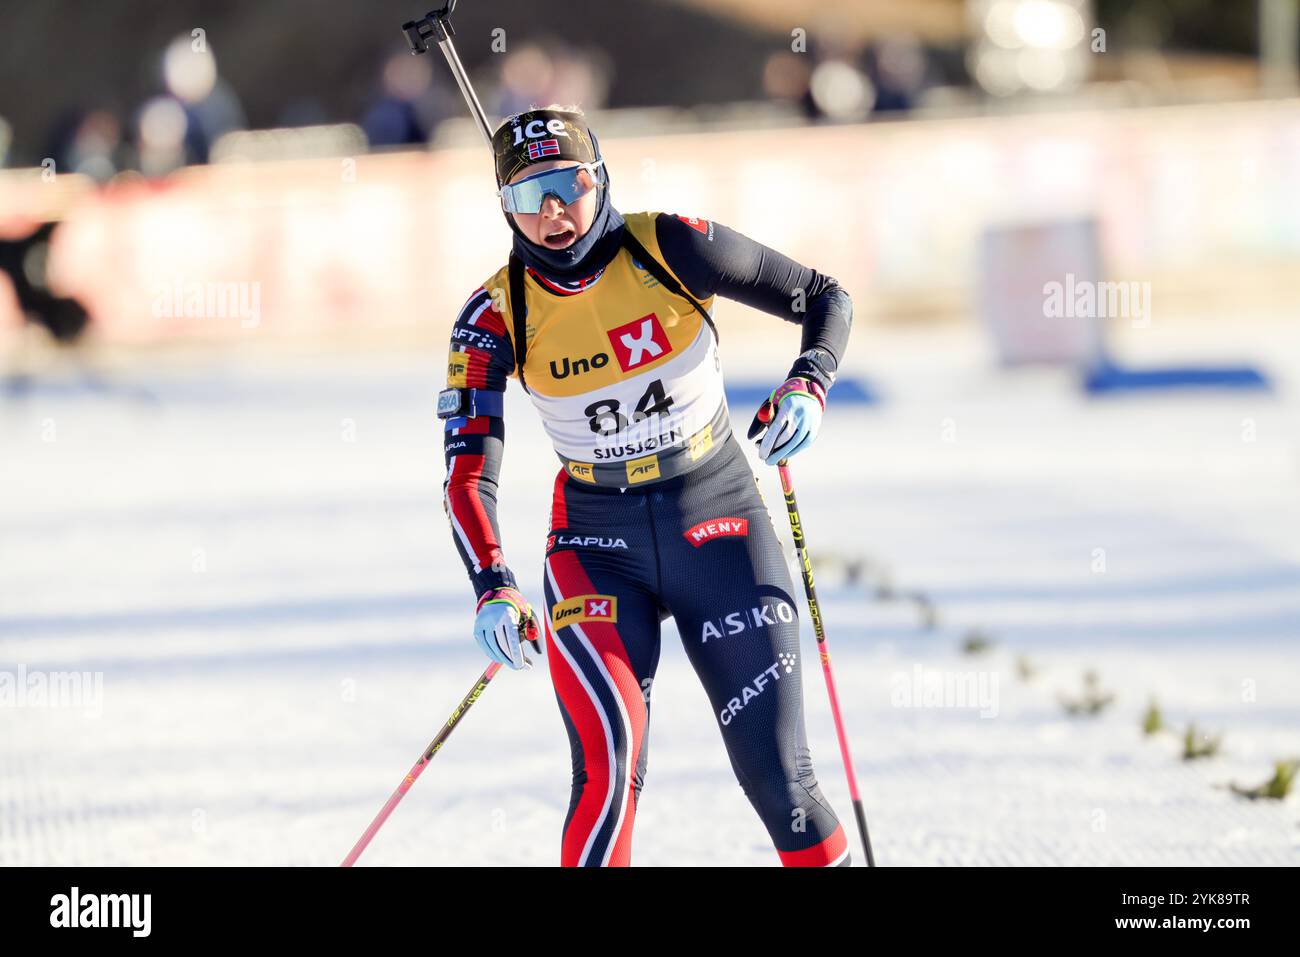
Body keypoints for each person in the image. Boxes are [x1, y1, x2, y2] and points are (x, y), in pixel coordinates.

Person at [439, 105, 854, 866]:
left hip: (719, 519)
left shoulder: (671, 246)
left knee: (782, 784)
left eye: (570, 184)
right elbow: (467, 473)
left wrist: (809, 383)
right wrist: (491, 582)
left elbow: (824, 296)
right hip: (597, 546)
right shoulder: (493, 315)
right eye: (529, 196)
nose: (554, 211)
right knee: (607, 763)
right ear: (504, 208)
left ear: (602, 178)